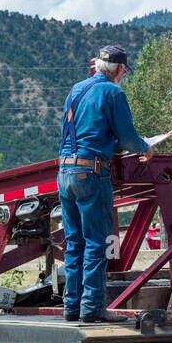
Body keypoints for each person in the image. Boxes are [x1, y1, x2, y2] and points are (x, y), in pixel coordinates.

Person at [57, 45, 152, 323]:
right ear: (121, 70)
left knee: (74, 243)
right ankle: (93, 308)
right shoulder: (114, 92)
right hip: (91, 173)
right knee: (96, 242)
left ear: (97, 65)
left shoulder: (76, 90)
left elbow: (75, 131)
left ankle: (71, 307)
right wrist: (146, 147)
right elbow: (127, 138)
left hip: (65, 171)